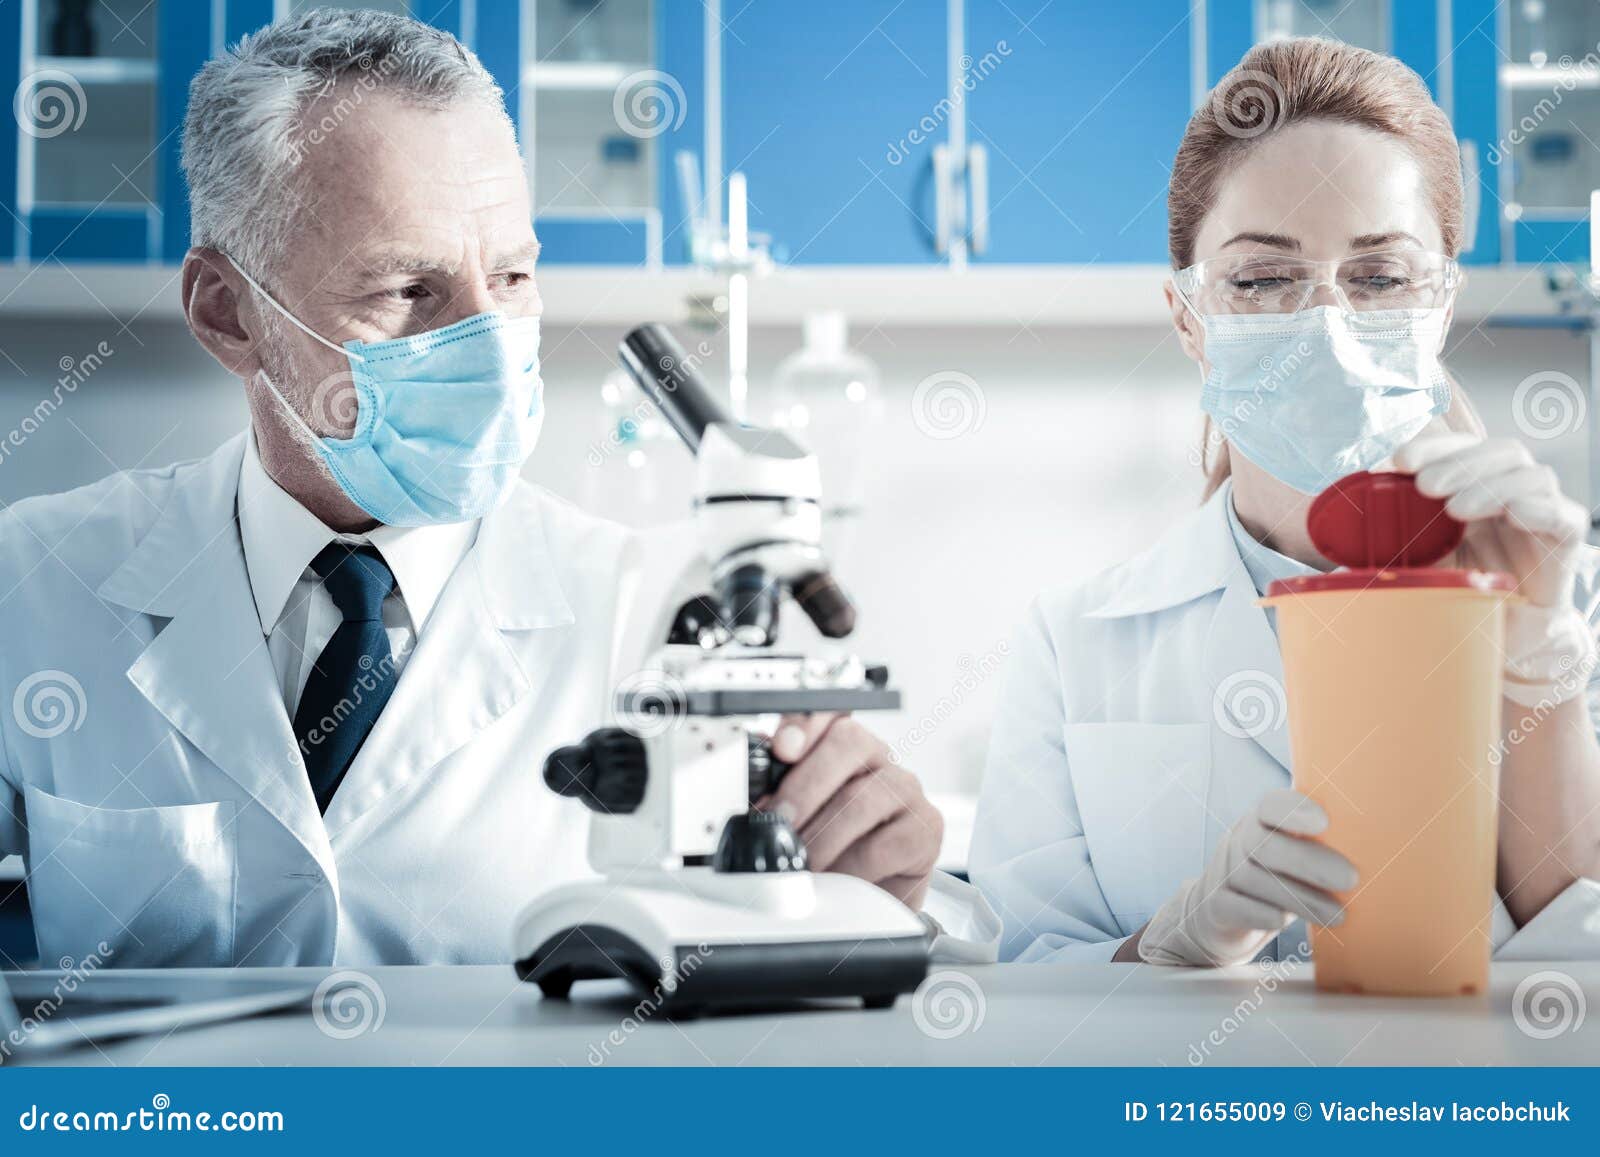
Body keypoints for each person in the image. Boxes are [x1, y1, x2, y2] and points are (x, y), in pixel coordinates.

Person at [0, 10, 990, 968]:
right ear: (228, 313)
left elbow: (818, 938)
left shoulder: (648, 610)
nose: (487, 343)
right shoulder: (34, 583)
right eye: (404, 290)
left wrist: (883, 884)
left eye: (511, 279)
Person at [970, 37, 1600, 966]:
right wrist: (1172, 946)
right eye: (1264, 280)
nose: (1329, 328)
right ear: (1189, 316)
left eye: (1380, 277)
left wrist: (1539, 679)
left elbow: (1582, 963)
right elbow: (1024, 985)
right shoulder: (1077, 640)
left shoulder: (1565, 600)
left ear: (1442, 302)